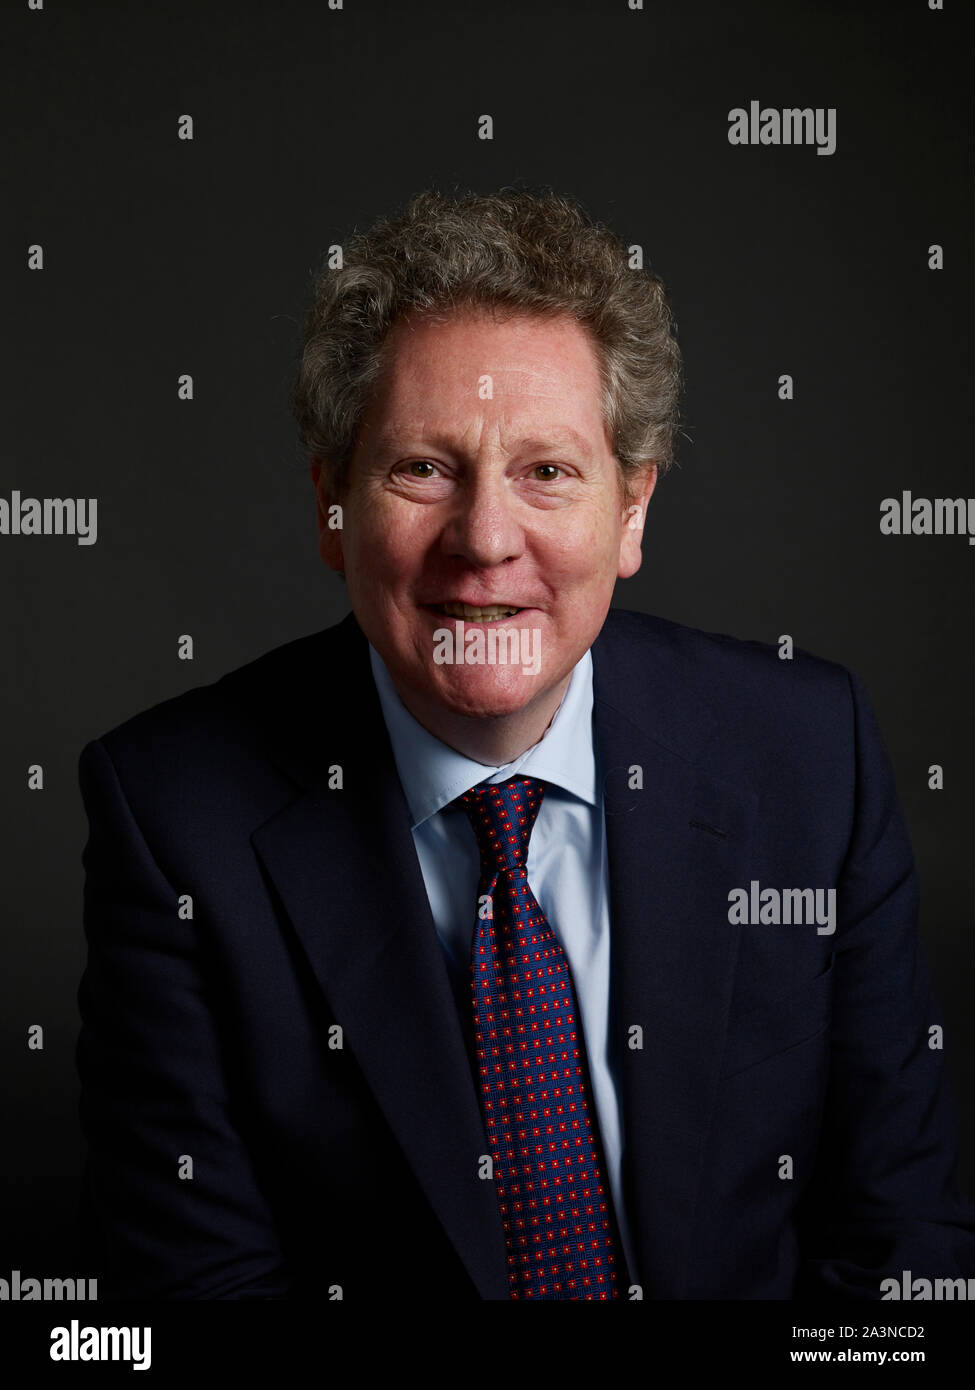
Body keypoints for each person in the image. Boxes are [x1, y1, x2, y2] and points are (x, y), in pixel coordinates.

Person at [76, 187, 975, 1300]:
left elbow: (902, 1242)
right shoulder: (174, 816)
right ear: (331, 506)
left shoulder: (807, 756)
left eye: (547, 471)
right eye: (423, 469)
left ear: (632, 510)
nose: (485, 540)